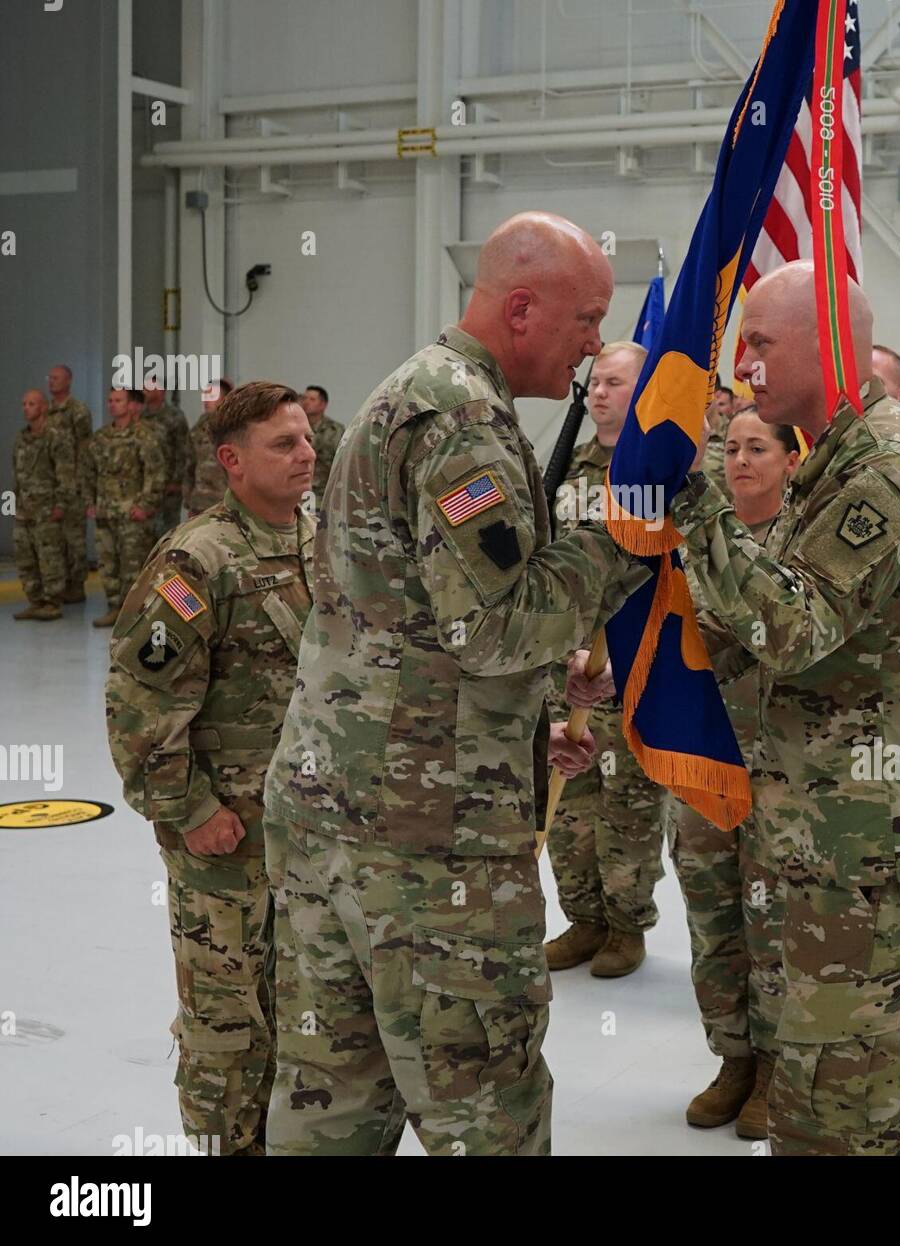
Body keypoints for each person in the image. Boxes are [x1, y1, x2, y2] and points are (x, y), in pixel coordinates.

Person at [261, 212, 650, 1157]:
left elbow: (411, 621)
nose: (594, 343)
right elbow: (495, 627)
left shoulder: (413, 392)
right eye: (587, 319)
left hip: (334, 813)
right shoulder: (462, 419)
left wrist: (517, 732)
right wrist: (621, 540)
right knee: (484, 1109)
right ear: (522, 307)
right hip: (429, 848)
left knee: (330, 1103)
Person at [667, 264, 900, 1156]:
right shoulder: (834, 460)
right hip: (863, 824)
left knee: (833, 1107)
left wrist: (692, 494)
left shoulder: (887, 463)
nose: (744, 365)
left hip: (868, 835)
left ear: (827, 342)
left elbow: (792, 625)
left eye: (762, 343)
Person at [106, 382, 316, 1155]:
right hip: (226, 844)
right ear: (232, 461)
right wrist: (192, 812)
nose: (306, 454)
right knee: (229, 1027)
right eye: (284, 444)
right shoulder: (198, 561)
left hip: (312, 838)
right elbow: (136, 707)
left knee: (304, 1012)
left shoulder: (318, 538)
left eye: (306, 438)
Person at [671, 406, 797, 1137]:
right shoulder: (688, 545)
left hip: (781, 763)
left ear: (788, 460)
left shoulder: (801, 546)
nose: (741, 460)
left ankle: (777, 1067)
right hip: (702, 757)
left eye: (759, 448)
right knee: (712, 916)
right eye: (731, 448)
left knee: (772, 919)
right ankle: (732, 1059)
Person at [545, 340, 669, 979]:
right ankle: (583, 918)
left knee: (628, 806)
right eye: (594, 381)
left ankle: (626, 925)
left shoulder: (657, 473)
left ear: (644, 390)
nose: (597, 392)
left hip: (630, 666)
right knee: (568, 801)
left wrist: (631, 655)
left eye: (615, 383)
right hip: (564, 665)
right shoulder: (567, 466)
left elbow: (671, 578)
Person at [81, 388, 166, 628]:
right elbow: (88, 472)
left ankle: (135, 612)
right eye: (110, 401)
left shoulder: (144, 436)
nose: (112, 405)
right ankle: (114, 608)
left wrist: (145, 505)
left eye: (118, 401)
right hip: (106, 511)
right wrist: (91, 502)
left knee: (133, 564)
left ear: (131, 405)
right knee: (108, 563)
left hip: (132, 513)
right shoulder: (100, 438)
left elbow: (155, 473)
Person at [12, 389, 73, 621]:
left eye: (31, 404)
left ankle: (52, 602)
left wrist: (60, 504)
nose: (26, 408)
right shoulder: (21, 437)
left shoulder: (56, 436)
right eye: (24, 404)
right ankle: (35, 600)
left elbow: (65, 474)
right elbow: (16, 473)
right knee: (25, 557)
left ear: (44, 407)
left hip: (47, 508)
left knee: (50, 557)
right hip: (23, 508)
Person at [45, 363, 93, 602]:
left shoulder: (78, 410)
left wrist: (81, 483)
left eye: (56, 378)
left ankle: (76, 585)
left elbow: (85, 448)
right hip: (49, 484)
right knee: (54, 539)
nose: (51, 381)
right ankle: (58, 584)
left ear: (68, 381)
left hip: (73, 482)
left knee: (73, 538)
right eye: (49, 377)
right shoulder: (45, 410)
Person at [142, 380, 191, 536]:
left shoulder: (174, 416)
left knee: (167, 531)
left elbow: (183, 449)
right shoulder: (141, 416)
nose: (144, 391)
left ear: (161, 391)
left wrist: (176, 481)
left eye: (149, 387)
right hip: (147, 483)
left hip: (169, 484)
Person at [183, 378, 234, 516]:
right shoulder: (198, 428)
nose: (206, 400)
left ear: (225, 399)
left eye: (211, 396)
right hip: (199, 502)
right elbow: (190, 465)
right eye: (205, 396)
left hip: (226, 501)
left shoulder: (235, 427)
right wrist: (189, 501)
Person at [299, 385, 345, 504]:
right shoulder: (295, 428)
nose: (306, 402)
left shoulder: (335, 430)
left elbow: (341, 463)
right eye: (304, 398)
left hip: (324, 494)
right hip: (298, 492)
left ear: (323, 405)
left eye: (312, 399)